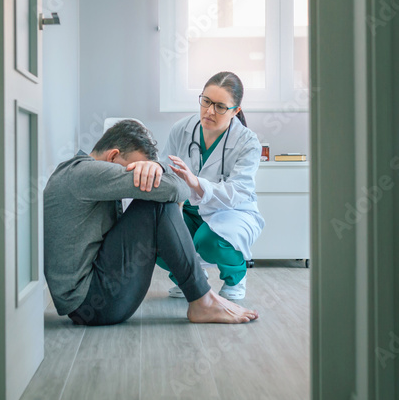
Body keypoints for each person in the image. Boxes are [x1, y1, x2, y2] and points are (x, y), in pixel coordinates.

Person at [43, 119, 259, 326]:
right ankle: (202, 299)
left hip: (92, 299)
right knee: (156, 205)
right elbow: (177, 188)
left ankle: (202, 295)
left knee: (157, 200)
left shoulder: (76, 171)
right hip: (93, 304)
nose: (141, 175)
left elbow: (180, 188)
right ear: (113, 156)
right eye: (136, 169)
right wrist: (160, 169)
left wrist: (157, 168)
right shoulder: (87, 173)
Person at [158, 71, 265, 300]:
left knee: (208, 241)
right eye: (206, 101)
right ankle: (190, 278)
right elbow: (165, 168)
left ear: (235, 110)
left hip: (231, 211)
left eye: (220, 106)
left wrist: (196, 183)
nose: (209, 111)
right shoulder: (182, 128)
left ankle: (235, 278)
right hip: (186, 208)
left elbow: (238, 192)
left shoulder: (247, 142)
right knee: (155, 237)